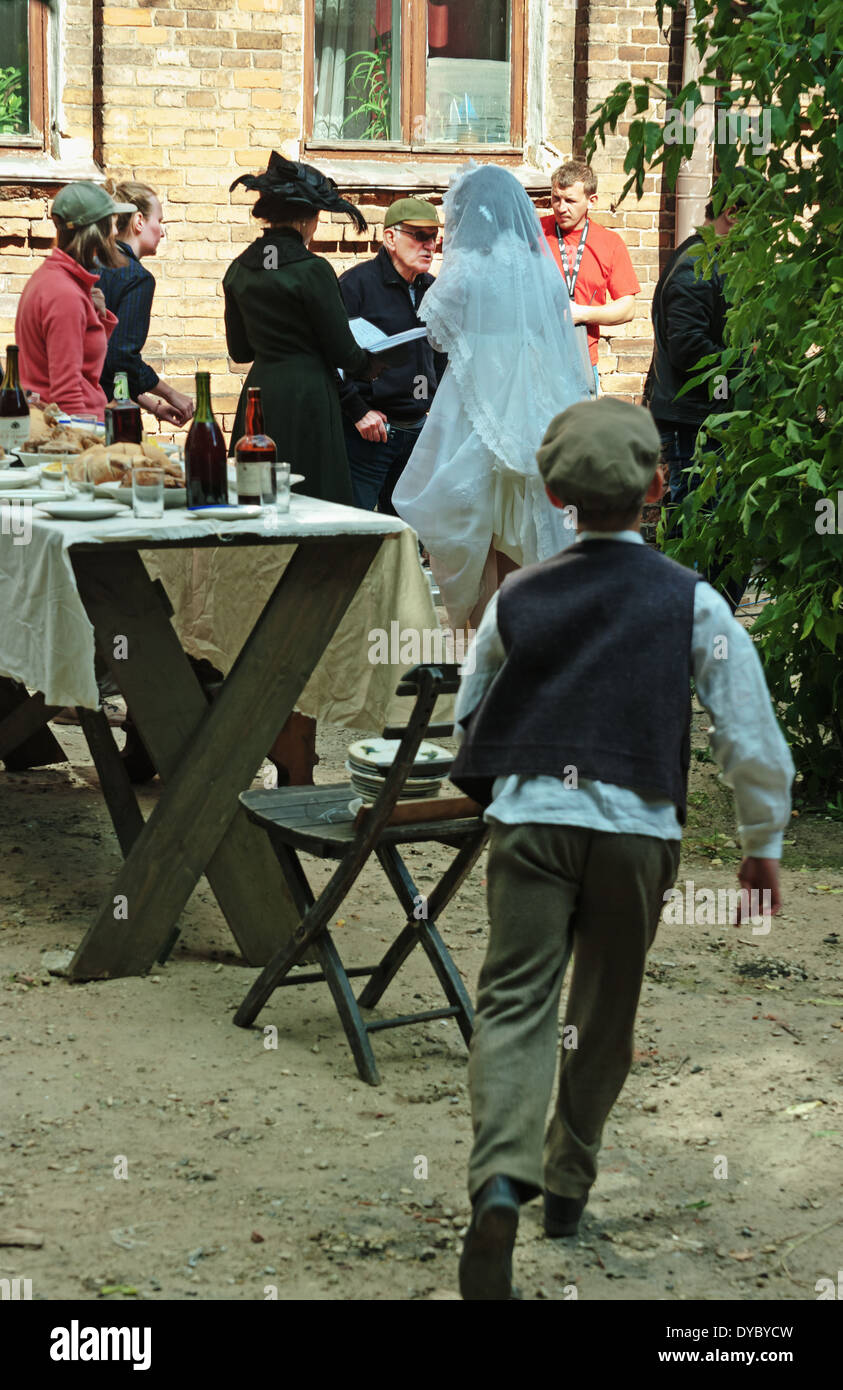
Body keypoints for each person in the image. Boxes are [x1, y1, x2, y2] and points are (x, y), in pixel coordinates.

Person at [448, 396, 795, 1300]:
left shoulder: (517, 593)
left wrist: (499, 787)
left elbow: (468, 710)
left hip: (530, 824)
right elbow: (748, 734)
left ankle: (497, 1183)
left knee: (515, 1004)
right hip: (637, 833)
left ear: (557, 493)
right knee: (603, 1015)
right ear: (657, 484)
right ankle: (566, 1188)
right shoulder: (693, 600)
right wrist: (761, 843)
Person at [392, 164, 592, 633]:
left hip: (478, 401)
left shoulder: (469, 266)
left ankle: (485, 643)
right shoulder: (540, 266)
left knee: (480, 524)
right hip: (536, 402)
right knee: (525, 519)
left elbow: (437, 331)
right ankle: (527, 631)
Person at [224, 151, 387, 506]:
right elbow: (343, 351)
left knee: (258, 495)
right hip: (308, 397)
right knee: (313, 501)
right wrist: (374, 365)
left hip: (260, 394)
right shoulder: (313, 270)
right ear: (305, 220)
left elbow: (240, 352)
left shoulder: (238, 269)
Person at [337, 197, 446, 512]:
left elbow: (442, 354)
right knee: (357, 533)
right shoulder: (355, 286)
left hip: (418, 435)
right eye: (419, 236)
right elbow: (331, 357)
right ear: (390, 238)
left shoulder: (434, 290)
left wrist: (436, 411)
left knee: (409, 536)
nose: (429, 246)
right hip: (370, 435)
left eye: (434, 238)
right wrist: (358, 410)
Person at [15, 182, 136, 419]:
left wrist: (99, 318)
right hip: (70, 429)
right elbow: (67, 394)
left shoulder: (53, 280)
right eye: (111, 223)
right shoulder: (64, 294)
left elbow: (81, 364)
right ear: (95, 231)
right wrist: (83, 446)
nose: (115, 232)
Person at [97, 181, 194, 428]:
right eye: (159, 221)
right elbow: (120, 358)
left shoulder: (93, 262)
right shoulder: (137, 278)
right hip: (108, 414)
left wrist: (154, 406)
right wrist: (170, 393)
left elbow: (108, 363)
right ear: (139, 221)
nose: (162, 231)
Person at [540, 160, 641, 395]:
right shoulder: (534, 231)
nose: (561, 208)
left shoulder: (609, 243)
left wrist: (581, 314)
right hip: (535, 359)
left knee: (579, 432)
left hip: (582, 362)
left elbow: (627, 308)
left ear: (591, 201)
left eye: (570, 201)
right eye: (556, 199)